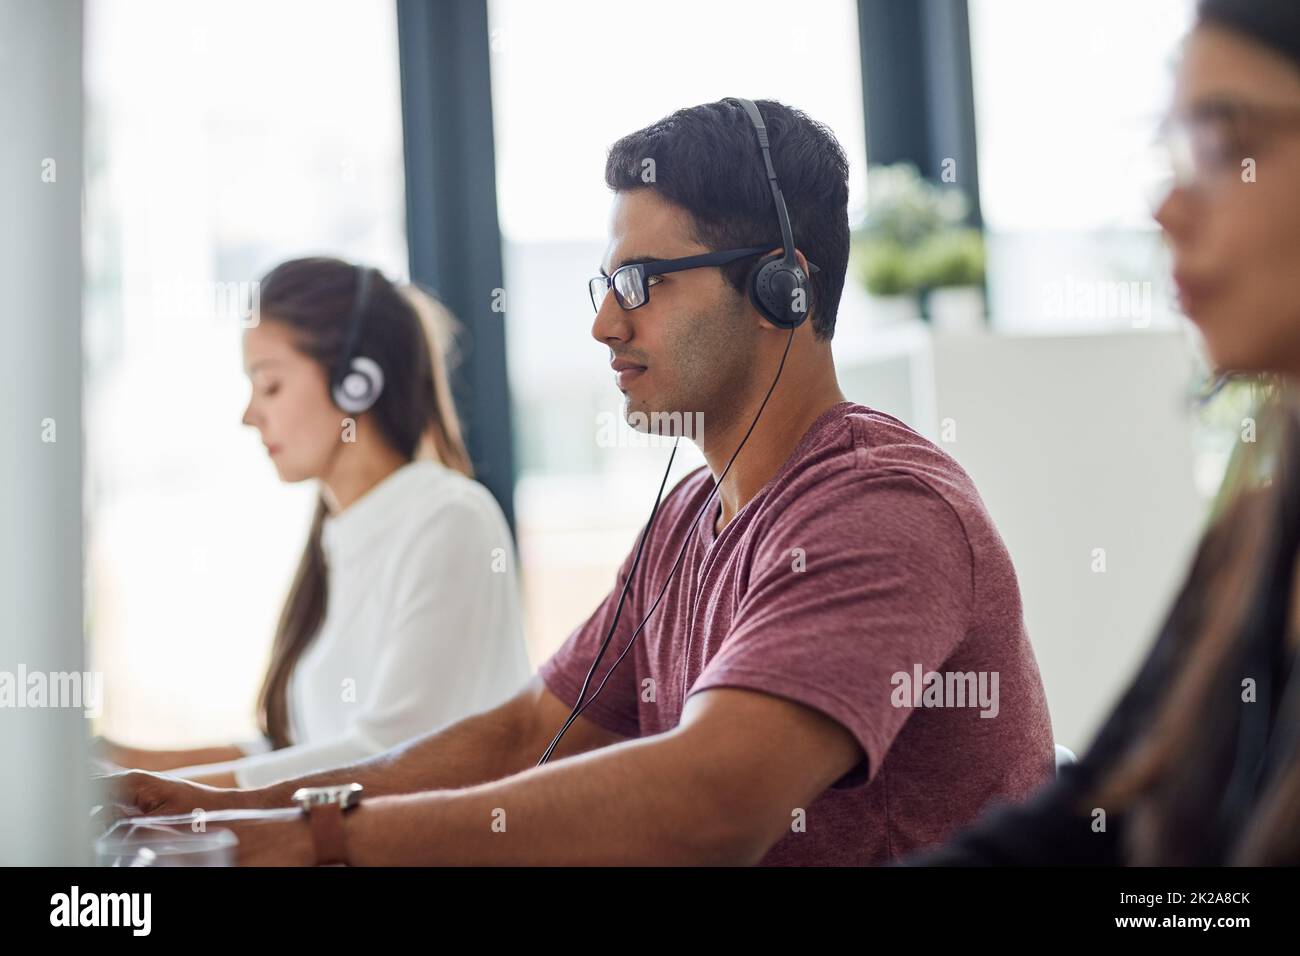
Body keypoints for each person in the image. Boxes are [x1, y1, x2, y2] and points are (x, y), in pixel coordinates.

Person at [108, 102, 1051, 866]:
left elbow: (712, 803)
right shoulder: (689, 516)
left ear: (782, 290)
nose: (604, 324)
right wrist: (241, 811)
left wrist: (314, 841)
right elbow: (528, 733)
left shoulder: (881, 510)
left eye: (641, 283)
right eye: (603, 285)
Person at [902, 0, 1300, 866]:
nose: (1167, 209)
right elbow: (1105, 807)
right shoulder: (1261, 509)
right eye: (1172, 149)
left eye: (1223, 142)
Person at [97, 256, 530, 789]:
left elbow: (392, 756)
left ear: (356, 382)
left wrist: (171, 796)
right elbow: (307, 751)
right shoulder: (344, 534)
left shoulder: (449, 520)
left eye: (270, 385)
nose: (249, 414)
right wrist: (123, 761)